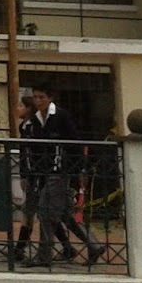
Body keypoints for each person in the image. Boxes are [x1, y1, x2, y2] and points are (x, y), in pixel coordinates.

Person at [21, 83, 106, 267]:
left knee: (45, 210)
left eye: (41, 97)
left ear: (50, 98)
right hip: (44, 172)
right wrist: (29, 173)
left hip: (60, 172)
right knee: (65, 214)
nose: (38, 101)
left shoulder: (61, 116)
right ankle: (94, 245)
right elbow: (32, 149)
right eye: (35, 97)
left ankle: (44, 256)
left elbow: (74, 143)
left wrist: (81, 170)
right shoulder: (35, 120)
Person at [11, 97, 75, 263]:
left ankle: (21, 249)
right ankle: (67, 247)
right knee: (41, 212)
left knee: (39, 212)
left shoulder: (33, 126)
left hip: (39, 175)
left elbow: (31, 153)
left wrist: (26, 174)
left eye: (20, 105)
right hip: (37, 174)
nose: (17, 109)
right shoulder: (26, 126)